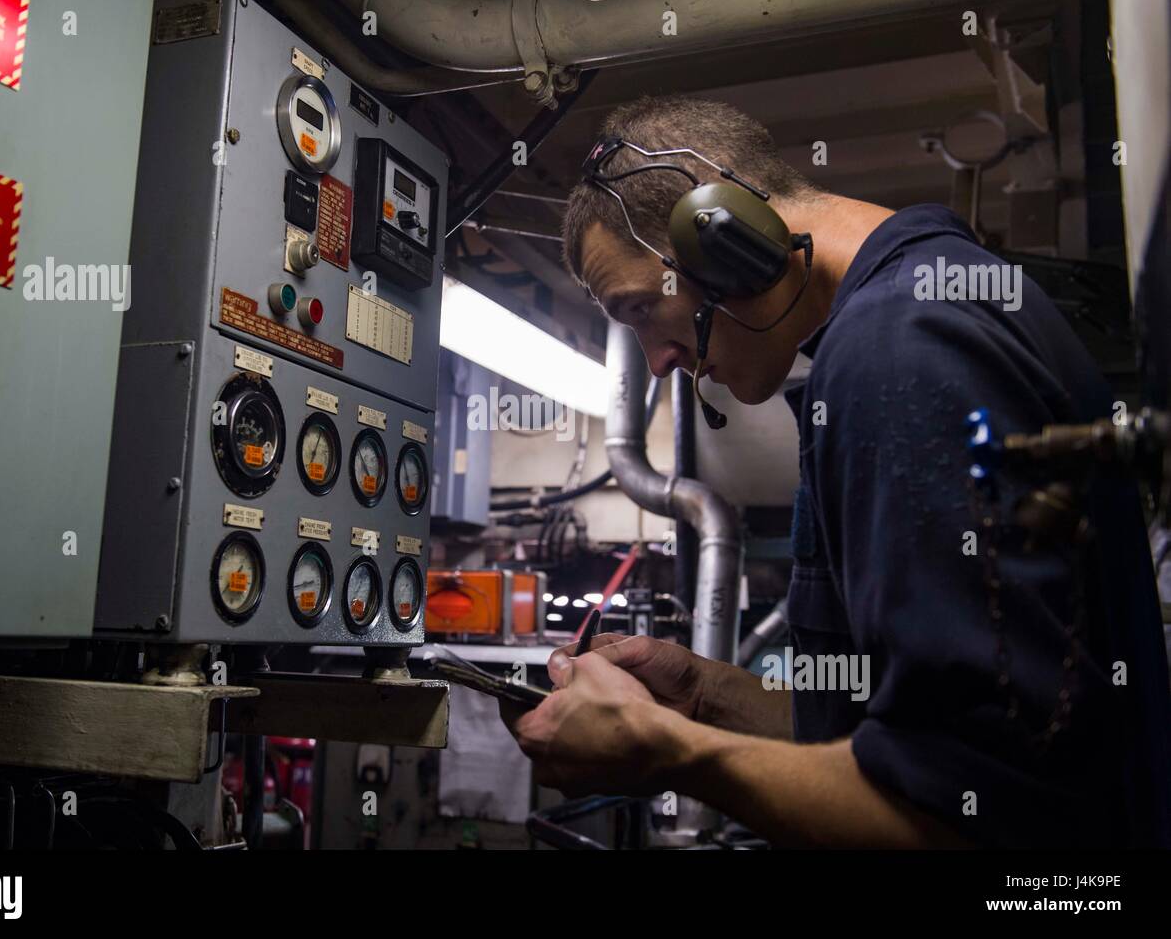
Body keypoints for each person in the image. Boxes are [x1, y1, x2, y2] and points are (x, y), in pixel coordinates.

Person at [501, 95, 1171, 848]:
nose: (657, 362)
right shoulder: (932, 299)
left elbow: (966, 807)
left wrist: (668, 753)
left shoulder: (900, 348)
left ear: (723, 239)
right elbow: (896, 736)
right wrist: (703, 696)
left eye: (639, 310)